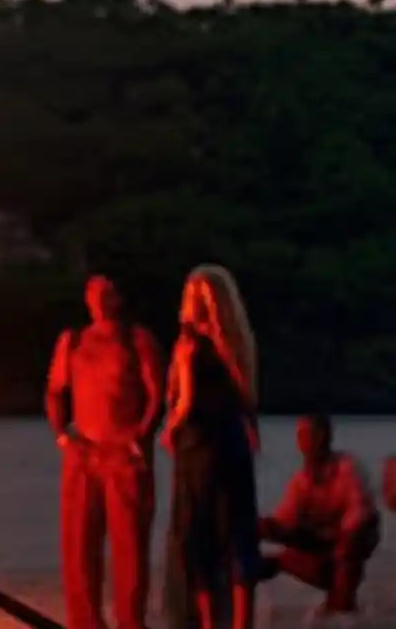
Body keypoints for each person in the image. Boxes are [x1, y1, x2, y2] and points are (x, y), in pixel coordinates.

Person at [46, 275, 164, 629]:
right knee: (79, 547)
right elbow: (55, 390)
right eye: (93, 293)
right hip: (83, 454)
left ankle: (131, 621)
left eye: (107, 293)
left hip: (123, 456)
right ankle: (85, 622)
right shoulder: (73, 341)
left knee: (129, 547)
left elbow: (157, 395)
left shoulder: (137, 340)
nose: (99, 300)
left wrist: (140, 437)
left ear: (119, 298)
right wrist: (62, 434)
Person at [162, 265, 261, 629]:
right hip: (230, 440)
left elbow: (184, 400)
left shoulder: (191, 343)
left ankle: (207, 622)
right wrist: (252, 428)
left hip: (201, 442)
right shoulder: (236, 343)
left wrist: (170, 427)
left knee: (200, 532)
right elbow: (246, 396)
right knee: (236, 531)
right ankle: (238, 622)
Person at [259, 414, 380, 617]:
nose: (306, 443)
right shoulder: (301, 481)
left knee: (351, 543)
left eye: (311, 435)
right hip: (322, 544)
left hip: (350, 544)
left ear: (326, 438)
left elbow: (359, 515)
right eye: (301, 436)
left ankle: (341, 605)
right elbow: (283, 522)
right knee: (259, 532)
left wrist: (337, 538)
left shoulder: (348, 468)